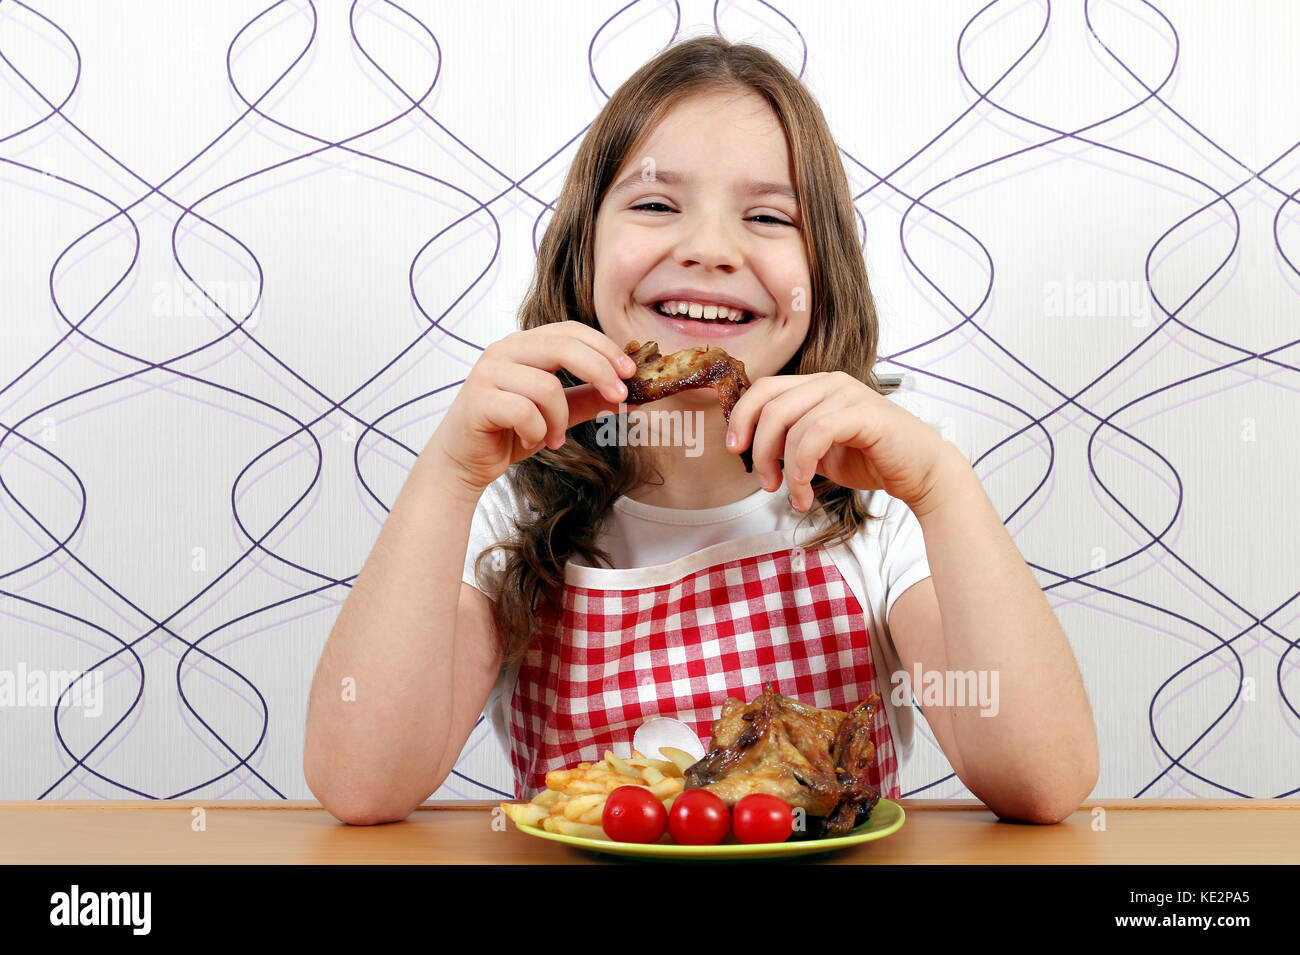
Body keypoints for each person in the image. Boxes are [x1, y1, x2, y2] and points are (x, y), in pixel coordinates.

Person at [304, 35, 1099, 826]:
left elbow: (1043, 780)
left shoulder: (882, 514)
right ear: (580, 250)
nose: (711, 249)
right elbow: (361, 783)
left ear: (826, 277)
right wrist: (449, 473)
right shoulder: (513, 505)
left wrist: (943, 486)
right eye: (655, 203)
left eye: (766, 215)